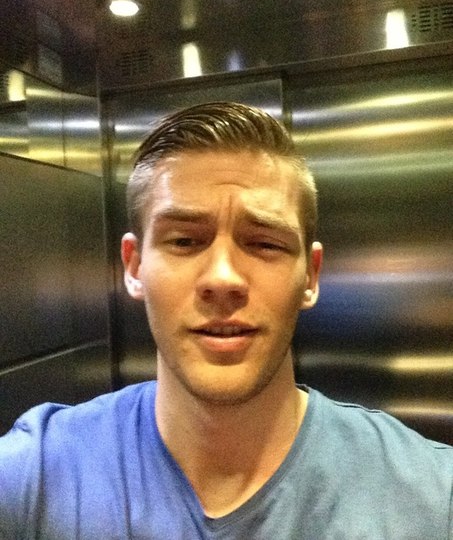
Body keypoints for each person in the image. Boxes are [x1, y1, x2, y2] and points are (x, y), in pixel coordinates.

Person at [0, 102, 451, 539]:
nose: (223, 278)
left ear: (310, 277)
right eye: (184, 241)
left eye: (265, 244)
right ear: (134, 267)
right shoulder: (31, 480)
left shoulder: (432, 499)